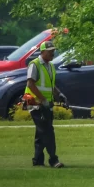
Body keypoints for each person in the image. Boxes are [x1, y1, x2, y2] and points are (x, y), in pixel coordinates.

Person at [24, 40, 69, 168]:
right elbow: (30, 84)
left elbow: (50, 85)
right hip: (36, 104)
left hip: (46, 105)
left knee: (41, 133)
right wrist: (43, 100)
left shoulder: (50, 66)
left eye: (53, 52)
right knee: (48, 131)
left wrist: (59, 94)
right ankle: (53, 160)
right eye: (50, 52)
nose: (52, 54)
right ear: (43, 52)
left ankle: (37, 160)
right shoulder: (35, 65)